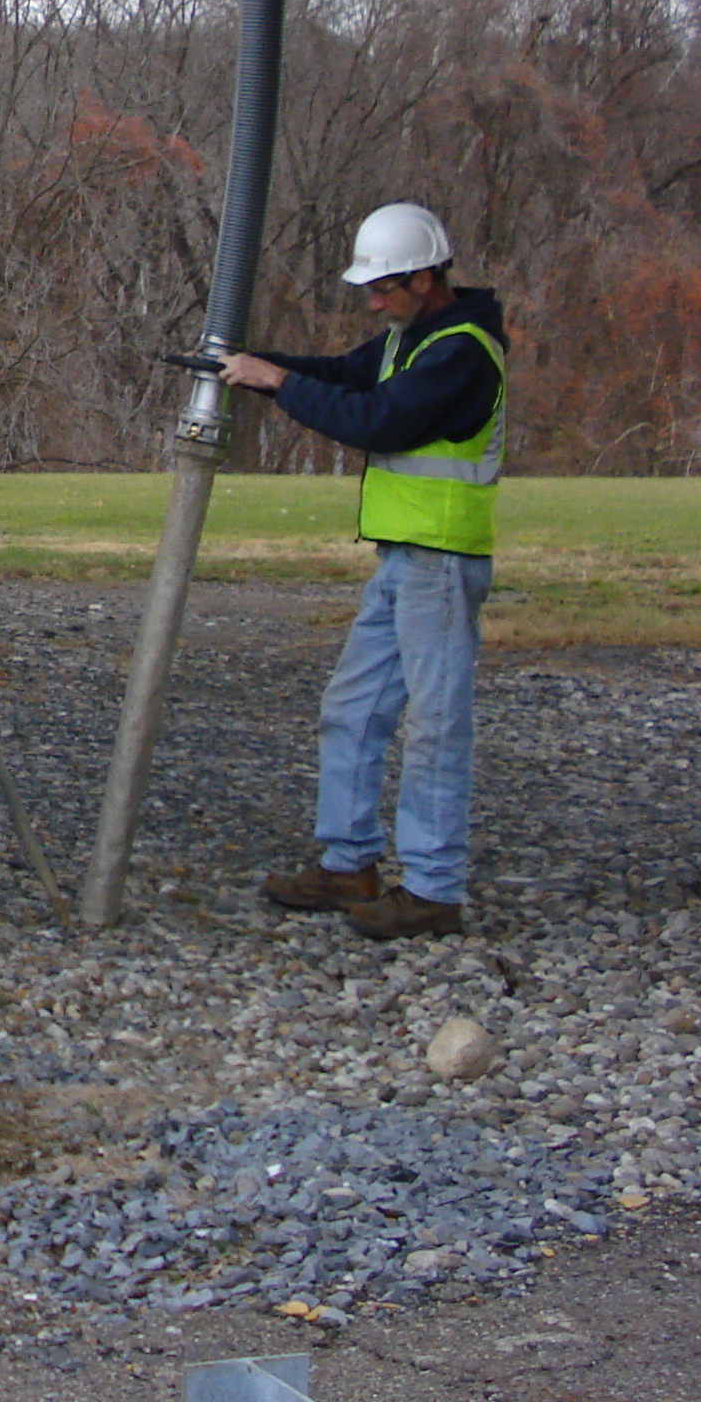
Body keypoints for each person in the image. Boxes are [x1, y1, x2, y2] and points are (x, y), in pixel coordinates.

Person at [221, 201, 508, 941]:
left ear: (424, 277)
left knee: (437, 727)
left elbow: (376, 420)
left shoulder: (462, 350)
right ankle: (348, 861)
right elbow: (343, 376)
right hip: (403, 557)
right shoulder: (409, 339)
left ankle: (434, 888)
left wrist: (277, 383)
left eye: (382, 290)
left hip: (441, 561)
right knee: (351, 707)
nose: (373, 303)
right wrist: (255, 371)